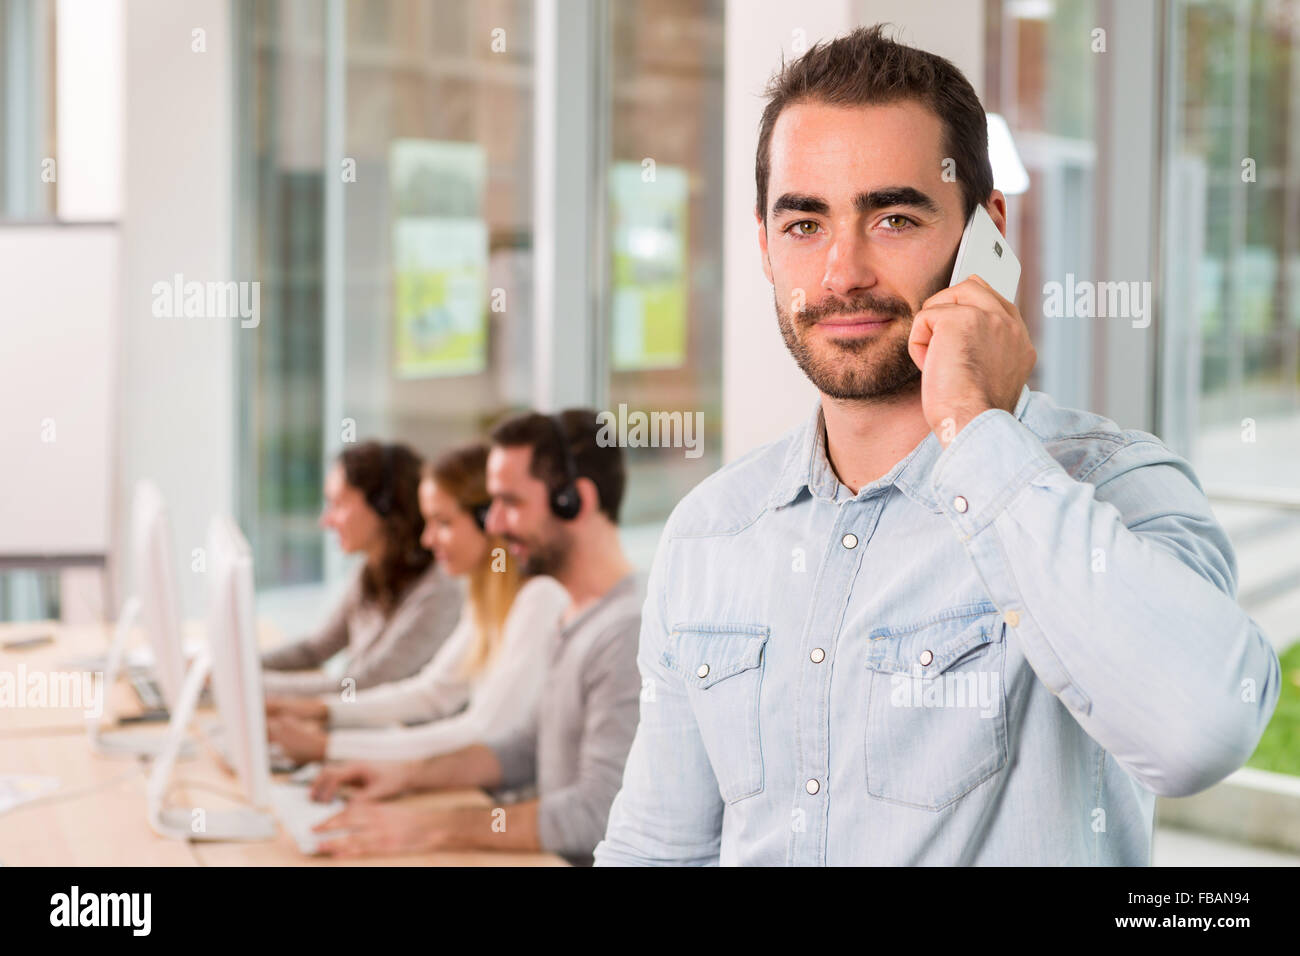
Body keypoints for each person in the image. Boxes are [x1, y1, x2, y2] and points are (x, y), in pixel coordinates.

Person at [594, 24, 1281, 866]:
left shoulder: (1114, 487)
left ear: (987, 235)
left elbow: (1202, 733)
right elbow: (657, 849)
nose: (842, 272)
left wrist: (973, 428)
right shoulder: (711, 532)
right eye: (805, 224)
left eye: (892, 217)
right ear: (767, 247)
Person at [308, 409, 642, 867]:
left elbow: (595, 814)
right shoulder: (574, 612)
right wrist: (404, 777)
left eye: (510, 502)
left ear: (574, 501)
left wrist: (428, 829)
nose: (496, 524)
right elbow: (524, 747)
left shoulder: (625, 631)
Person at [265, 442, 569, 763]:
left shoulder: (538, 599)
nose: (428, 539)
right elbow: (433, 692)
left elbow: (481, 731)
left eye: (444, 523)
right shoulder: (486, 600)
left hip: (498, 800)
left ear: (489, 520)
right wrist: (319, 711)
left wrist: (327, 746)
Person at [260, 441, 463, 698]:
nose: (327, 520)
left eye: (339, 504)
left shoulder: (438, 593)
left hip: (396, 731)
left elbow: (364, 685)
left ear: (384, 505)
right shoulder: (369, 571)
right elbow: (315, 649)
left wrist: (247, 685)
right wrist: (237, 666)